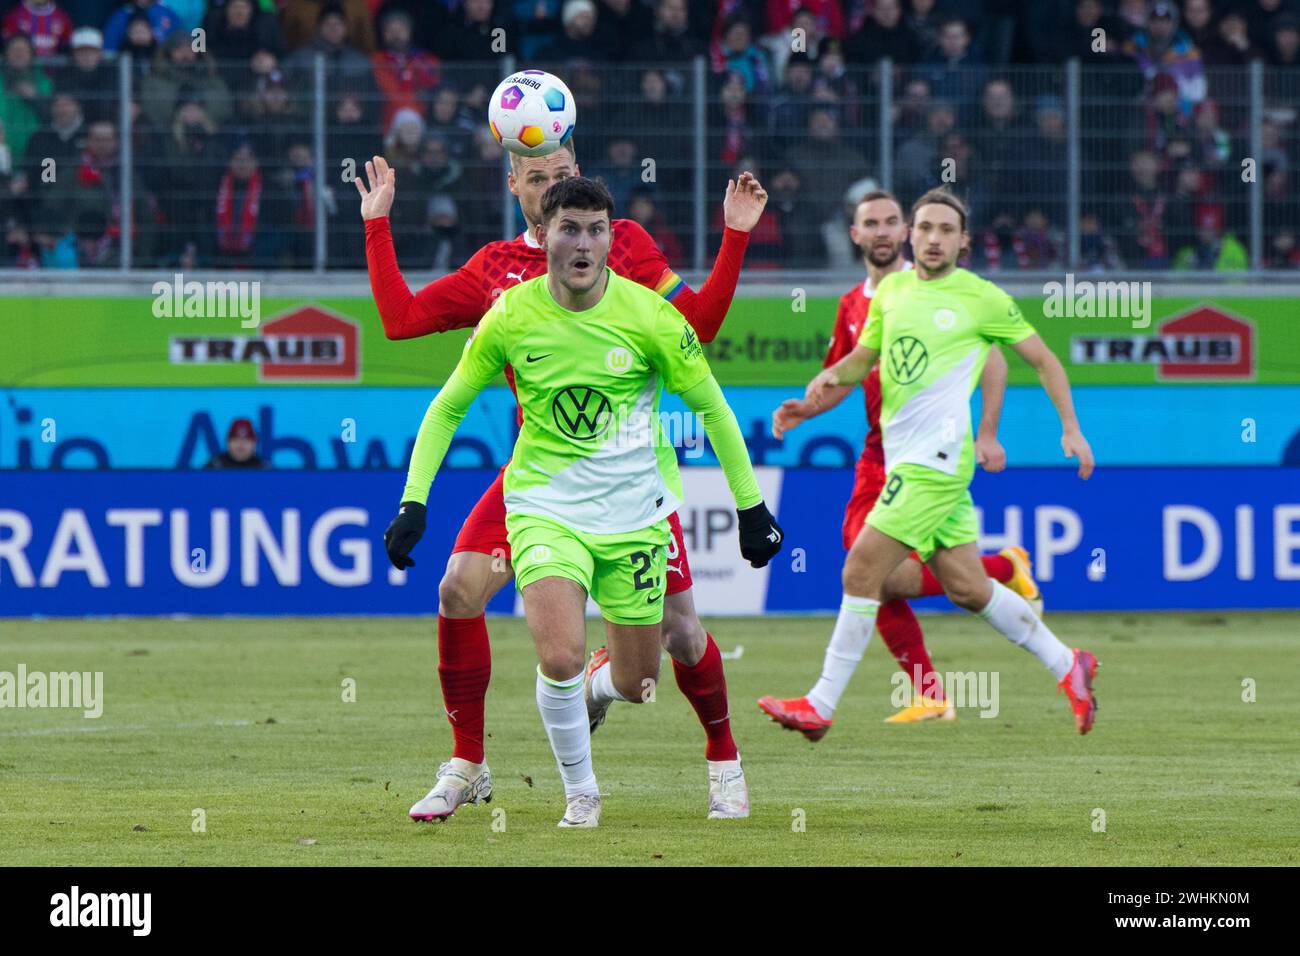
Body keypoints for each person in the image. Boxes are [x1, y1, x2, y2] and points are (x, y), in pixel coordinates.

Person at [357, 140, 768, 820]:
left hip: (632, 479)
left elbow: (697, 331)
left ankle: (704, 747)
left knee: (677, 642)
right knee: (460, 587)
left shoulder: (624, 245)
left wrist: (733, 241)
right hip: (539, 478)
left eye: (564, 176)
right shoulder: (497, 275)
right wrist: (377, 224)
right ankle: (468, 765)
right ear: (515, 185)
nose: (554, 190)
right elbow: (402, 322)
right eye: (539, 179)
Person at [783, 188, 1101, 737]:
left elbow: (1043, 360)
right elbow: (864, 357)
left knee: (861, 570)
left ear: (963, 241)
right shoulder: (893, 293)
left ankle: (821, 703)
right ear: (914, 234)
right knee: (968, 589)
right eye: (925, 228)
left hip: (936, 461)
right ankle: (1068, 664)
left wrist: (1068, 428)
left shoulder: (982, 298)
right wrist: (822, 388)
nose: (933, 238)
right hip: (904, 455)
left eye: (945, 230)